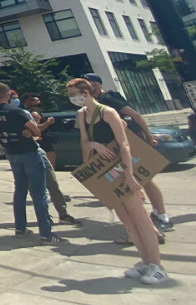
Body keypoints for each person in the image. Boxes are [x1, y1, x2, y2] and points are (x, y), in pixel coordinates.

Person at [68, 78, 167, 284]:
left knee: (139, 217)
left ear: (86, 92)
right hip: (105, 173)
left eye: (74, 94)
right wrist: (94, 145)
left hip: (122, 169)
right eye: (70, 95)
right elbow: (84, 142)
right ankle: (144, 262)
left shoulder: (108, 112)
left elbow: (124, 145)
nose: (73, 99)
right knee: (126, 219)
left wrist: (130, 174)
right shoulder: (81, 114)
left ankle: (157, 266)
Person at [82, 73, 174, 234]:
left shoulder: (109, 98)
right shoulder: (93, 105)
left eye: (87, 83)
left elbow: (135, 115)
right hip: (113, 149)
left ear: (95, 84)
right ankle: (146, 224)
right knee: (128, 184)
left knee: (145, 180)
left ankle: (161, 215)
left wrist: (148, 136)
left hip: (128, 144)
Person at [0, 83, 67, 245]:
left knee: (20, 190)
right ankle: (46, 234)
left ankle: (20, 227)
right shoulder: (16, 112)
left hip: (12, 152)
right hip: (29, 152)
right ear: (8, 95)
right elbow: (38, 132)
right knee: (40, 194)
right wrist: (30, 132)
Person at [21, 93, 80, 226]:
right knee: (48, 179)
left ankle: (59, 213)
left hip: (42, 146)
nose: (38, 103)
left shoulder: (29, 114)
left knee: (50, 178)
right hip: (40, 147)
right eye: (35, 101)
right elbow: (37, 130)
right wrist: (48, 122)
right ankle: (55, 213)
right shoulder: (33, 115)